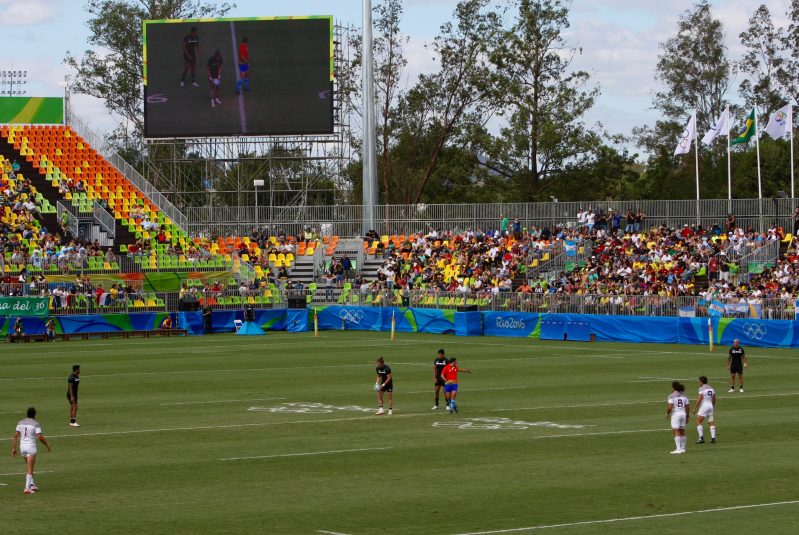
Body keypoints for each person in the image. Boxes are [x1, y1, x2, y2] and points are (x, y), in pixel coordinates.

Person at [11, 407, 52, 494]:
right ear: (34, 414)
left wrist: (14, 448)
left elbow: (15, 436)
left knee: (28, 466)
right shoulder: (35, 424)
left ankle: (32, 485)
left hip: (22, 447)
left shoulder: (20, 422)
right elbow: (40, 436)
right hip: (30, 447)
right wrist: (47, 445)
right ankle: (27, 488)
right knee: (30, 468)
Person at [666, 381, 689, 454]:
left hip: (676, 415)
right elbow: (687, 407)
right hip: (683, 414)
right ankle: (683, 448)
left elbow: (670, 407)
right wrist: (687, 416)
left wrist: (667, 413)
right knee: (682, 431)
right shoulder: (684, 396)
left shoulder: (671, 396)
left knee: (676, 431)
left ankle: (678, 449)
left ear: (673, 387)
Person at [693, 376, 717, 444]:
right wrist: (712, 405)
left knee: (698, 421)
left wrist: (695, 408)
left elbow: (699, 399)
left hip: (704, 406)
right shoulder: (711, 388)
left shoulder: (701, 388)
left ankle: (701, 438)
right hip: (710, 406)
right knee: (711, 422)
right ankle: (713, 438)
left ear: (701, 381)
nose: (698, 382)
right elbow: (715, 398)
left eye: (699, 381)